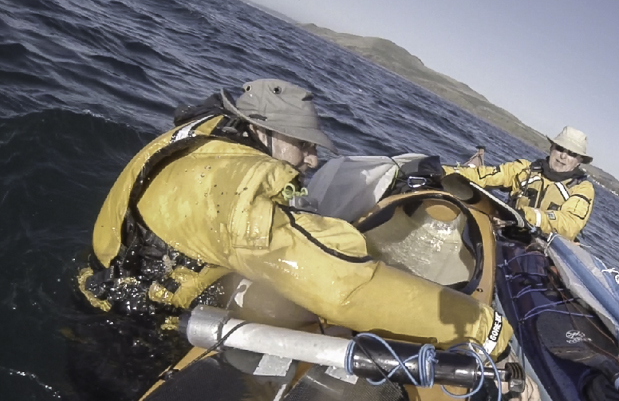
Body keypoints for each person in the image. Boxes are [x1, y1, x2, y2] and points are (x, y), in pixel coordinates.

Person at [77, 78, 512, 356]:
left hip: (102, 283)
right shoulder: (239, 198)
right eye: (302, 144)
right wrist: (484, 327)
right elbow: (343, 290)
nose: (312, 158)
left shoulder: (206, 135)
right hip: (142, 333)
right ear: (259, 130)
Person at [445, 127, 595, 241]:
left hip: (541, 251)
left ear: (579, 160)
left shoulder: (582, 189)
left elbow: (569, 224)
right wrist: (443, 171)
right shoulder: (524, 169)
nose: (563, 156)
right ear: (551, 148)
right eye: (560, 149)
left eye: (572, 154)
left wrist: (522, 216)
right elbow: (485, 175)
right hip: (505, 236)